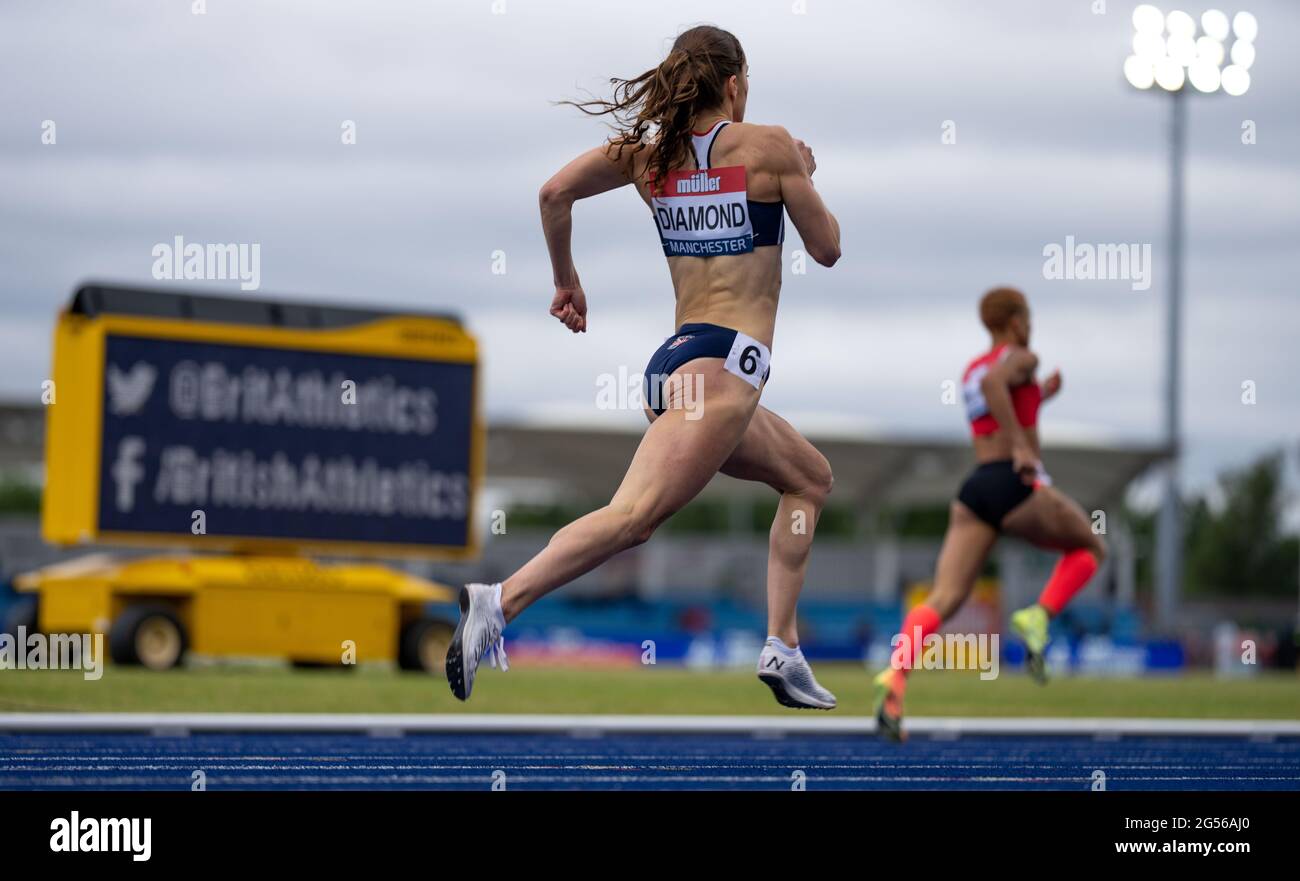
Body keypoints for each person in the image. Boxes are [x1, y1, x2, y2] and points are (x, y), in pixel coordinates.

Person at [446, 25, 843, 708]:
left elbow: (552, 195)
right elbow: (829, 247)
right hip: (723, 371)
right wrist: (802, 173)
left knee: (809, 478)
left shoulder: (647, 158)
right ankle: (499, 601)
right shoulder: (770, 146)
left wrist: (566, 280)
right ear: (734, 83)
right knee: (632, 518)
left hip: (678, 367)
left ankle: (783, 645)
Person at [872, 287, 1107, 741]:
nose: (1031, 326)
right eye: (1028, 317)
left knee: (943, 598)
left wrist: (1041, 397)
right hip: (1015, 482)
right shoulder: (1022, 356)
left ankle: (896, 677)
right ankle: (1038, 615)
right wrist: (1021, 448)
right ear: (1015, 320)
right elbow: (996, 387)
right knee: (1090, 546)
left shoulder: (971, 368)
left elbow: (997, 401)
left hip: (977, 487)